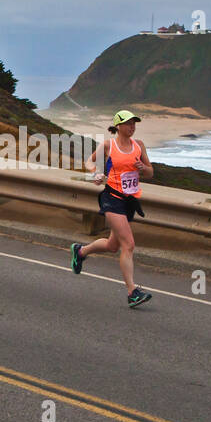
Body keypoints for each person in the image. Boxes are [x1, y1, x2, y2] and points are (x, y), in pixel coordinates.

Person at [69, 110, 154, 307]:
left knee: (112, 245)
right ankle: (132, 292)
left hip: (129, 201)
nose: (132, 127)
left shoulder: (138, 145)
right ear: (118, 126)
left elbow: (150, 172)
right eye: (128, 124)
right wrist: (96, 173)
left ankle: (80, 252)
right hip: (112, 199)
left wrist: (143, 168)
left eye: (134, 124)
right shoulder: (109, 145)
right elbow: (89, 161)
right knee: (129, 244)